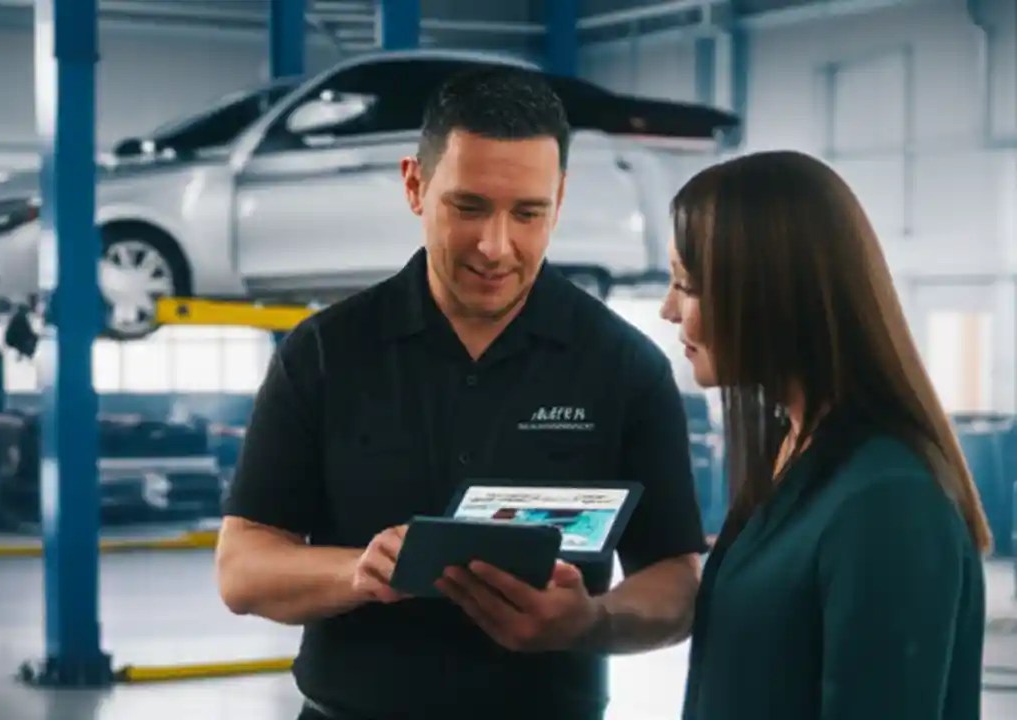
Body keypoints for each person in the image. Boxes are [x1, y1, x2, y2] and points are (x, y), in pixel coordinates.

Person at [216, 65, 710, 720]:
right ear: (414, 185)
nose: (495, 246)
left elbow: (676, 577)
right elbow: (242, 567)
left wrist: (592, 621)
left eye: (528, 213)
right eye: (469, 207)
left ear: (560, 199)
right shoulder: (324, 354)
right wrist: (359, 571)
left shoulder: (625, 366)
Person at [660, 150, 990, 720]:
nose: (668, 310)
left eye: (686, 286)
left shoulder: (886, 499)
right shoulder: (791, 451)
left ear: (768, 292)